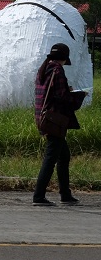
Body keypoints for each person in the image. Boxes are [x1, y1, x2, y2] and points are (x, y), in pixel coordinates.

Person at [32, 43, 86, 206]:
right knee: (50, 158)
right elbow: (64, 98)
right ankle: (38, 196)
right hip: (55, 120)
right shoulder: (58, 71)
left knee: (63, 156)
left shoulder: (44, 69)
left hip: (44, 118)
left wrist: (66, 91)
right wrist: (79, 95)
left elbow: (53, 93)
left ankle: (65, 194)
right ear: (64, 58)